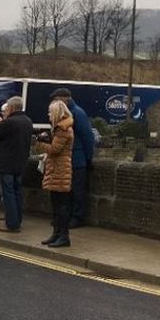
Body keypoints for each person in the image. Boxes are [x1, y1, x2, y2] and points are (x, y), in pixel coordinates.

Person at [50, 88, 96, 228]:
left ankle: (77, 217)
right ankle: (65, 217)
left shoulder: (77, 113)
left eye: (57, 99)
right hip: (67, 159)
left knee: (77, 190)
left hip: (77, 159)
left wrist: (88, 159)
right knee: (66, 191)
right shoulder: (63, 114)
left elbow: (88, 137)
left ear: (66, 98)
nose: (55, 102)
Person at [0, 96, 34, 233]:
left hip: (7, 163)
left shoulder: (10, 122)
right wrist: (2, 123)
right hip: (20, 162)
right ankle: (17, 219)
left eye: (7, 107)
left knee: (8, 193)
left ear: (12, 108)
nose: (6, 109)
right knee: (17, 192)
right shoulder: (27, 121)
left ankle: (12, 224)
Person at [36, 100, 75, 247]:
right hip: (58, 168)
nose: (48, 114)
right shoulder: (60, 129)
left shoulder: (63, 129)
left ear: (56, 113)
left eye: (50, 112)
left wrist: (41, 143)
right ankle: (56, 234)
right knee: (56, 204)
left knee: (62, 205)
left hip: (60, 169)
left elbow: (55, 150)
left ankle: (63, 236)